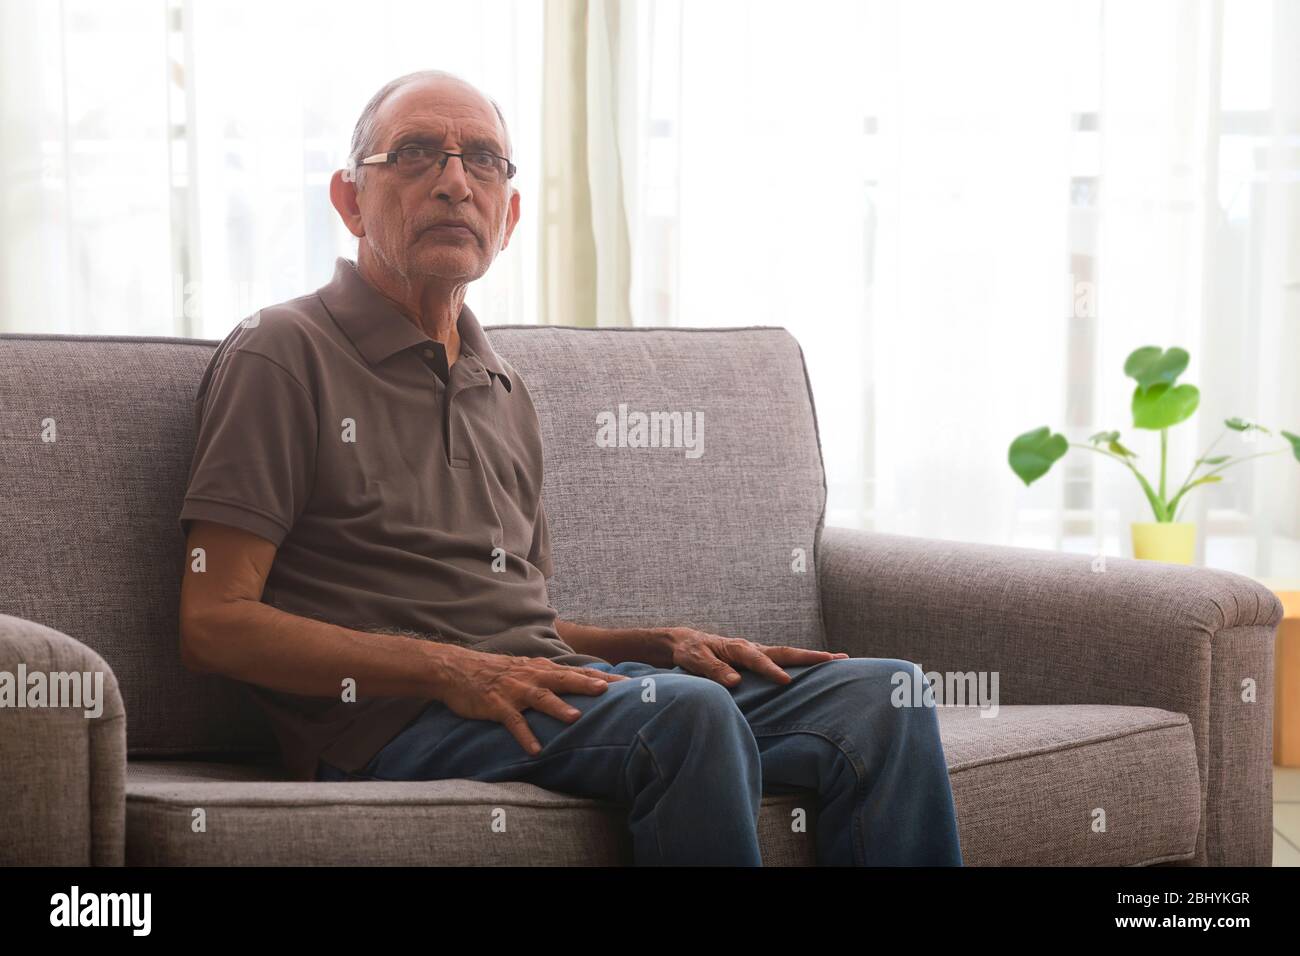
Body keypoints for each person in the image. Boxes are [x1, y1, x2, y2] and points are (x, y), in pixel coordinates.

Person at [178, 68, 963, 866]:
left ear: (509, 215)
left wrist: (660, 643)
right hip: (386, 722)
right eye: (417, 153)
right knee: (686, 716)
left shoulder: (503, 384)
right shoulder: (283, 352)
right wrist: (450, 669)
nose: (455, 181)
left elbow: (517, 622)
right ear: (349, 200)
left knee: (883, 698)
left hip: (532, 686)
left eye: (483, 160)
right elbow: (213, 622)